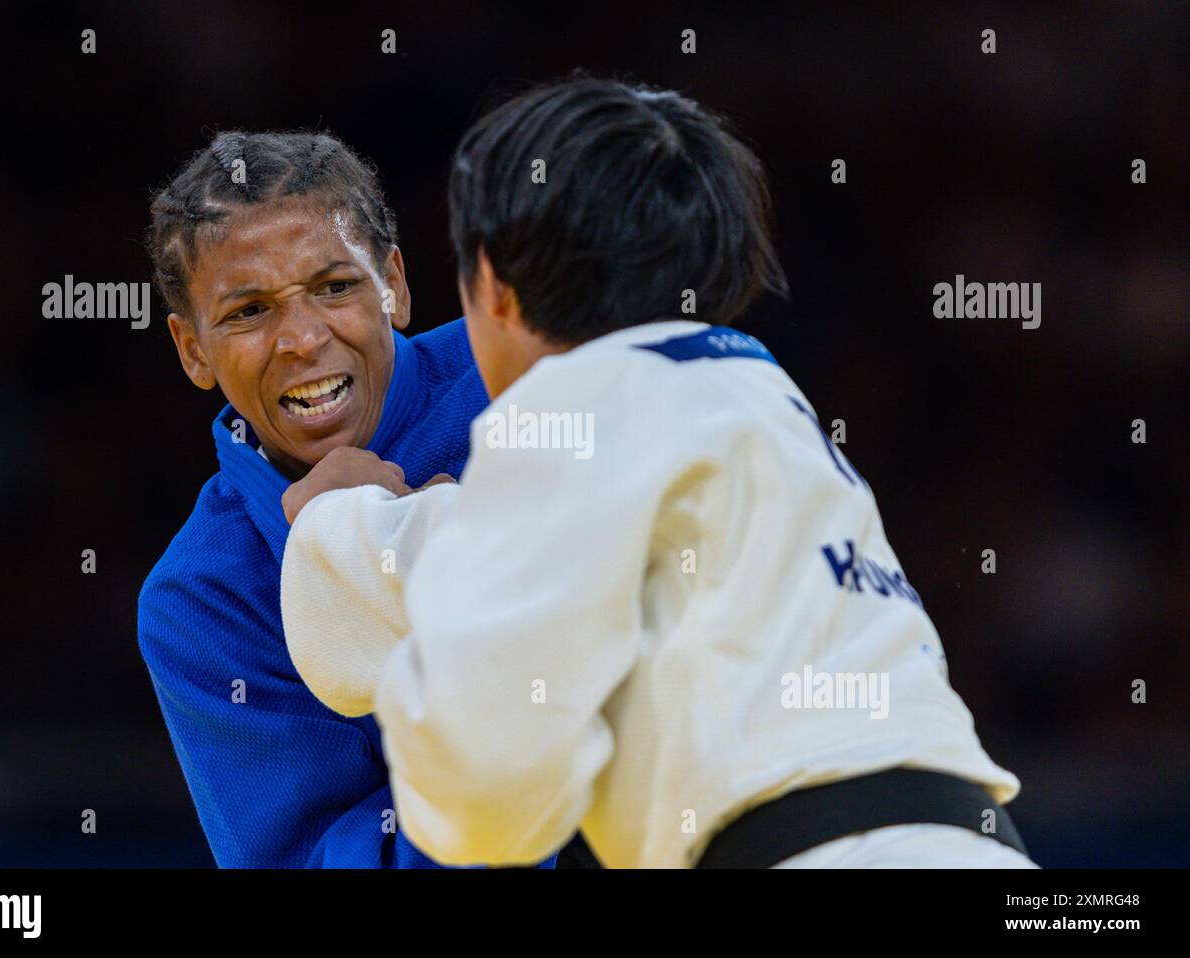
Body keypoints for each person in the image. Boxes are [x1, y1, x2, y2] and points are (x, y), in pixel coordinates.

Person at [279, 78, 1036, 868]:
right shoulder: (763, 402)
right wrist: (407, 536)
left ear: (494, 284)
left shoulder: (572, 404)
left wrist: (346, 523)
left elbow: (486, 801)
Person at [138, 130, 563, 868]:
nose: (303, 338)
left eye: (335, 287)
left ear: (394, 284)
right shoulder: (204, 598)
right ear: (192, 349)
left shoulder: (536, 372)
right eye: (248, 311)